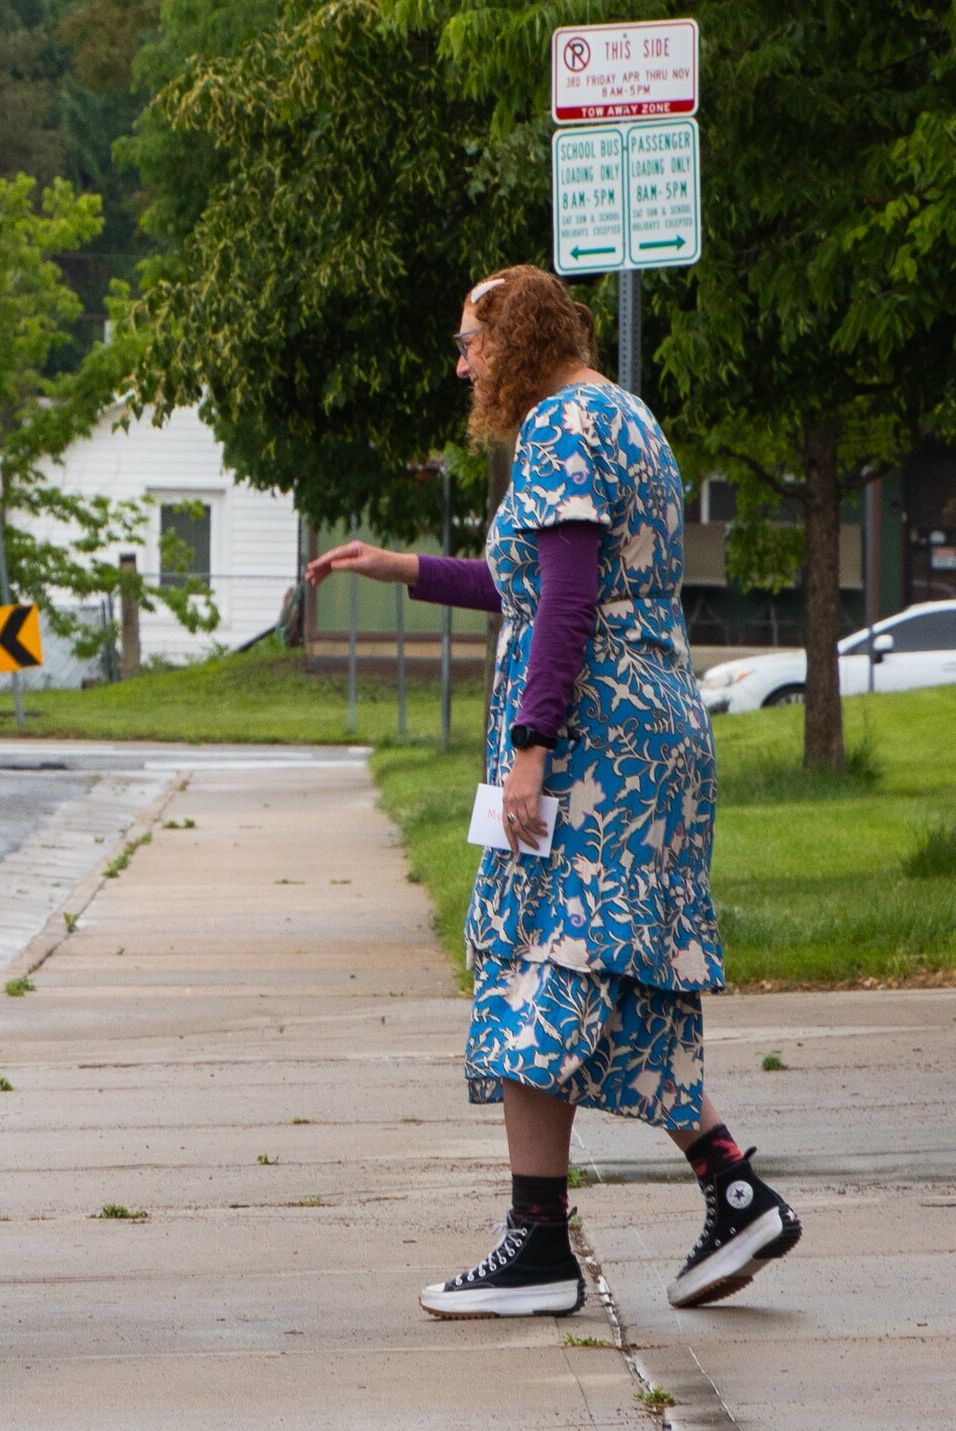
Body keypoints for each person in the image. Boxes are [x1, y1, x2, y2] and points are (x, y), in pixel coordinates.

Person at [309, 265, 801, 1319]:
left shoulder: (554, 428)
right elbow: (532, 581)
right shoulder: (622, 418)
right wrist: (400, 567)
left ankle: (538, 1247)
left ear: (514, 337)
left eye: (469, 341)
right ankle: (728, 1188)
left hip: (591, 747)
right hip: (650, 731)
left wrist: (530, 747)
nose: (461, 362)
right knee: (605, 969)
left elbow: (566, 601)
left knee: (536, 962)